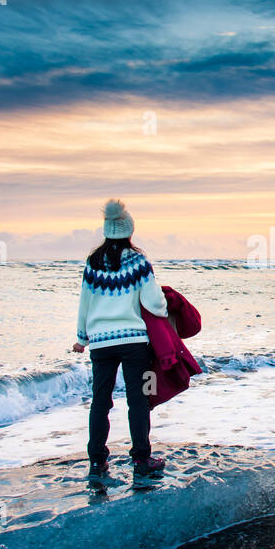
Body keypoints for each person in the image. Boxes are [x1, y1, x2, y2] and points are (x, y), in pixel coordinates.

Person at [71, 199, 168, 479]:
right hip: (134, 342)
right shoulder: (138, 262)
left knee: (100, 402)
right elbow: (154, 303)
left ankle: (97, 461)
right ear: (129, 231)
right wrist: (166, 308)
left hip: (101, 343)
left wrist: (82, 338)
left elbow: (85, 302)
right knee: (138, 400)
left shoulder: (93, 263)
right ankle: (141, 459)